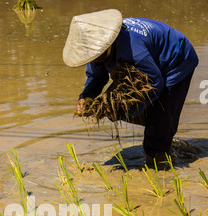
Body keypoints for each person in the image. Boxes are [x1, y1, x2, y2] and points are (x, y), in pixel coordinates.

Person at [63, 9, 199, 169]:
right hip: (150, 60)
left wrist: (130, 110)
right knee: (124, 105)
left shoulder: (133, 50)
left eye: (95, 57)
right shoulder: (96, 50)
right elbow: (96, 77)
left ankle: (159, 164)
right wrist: (86, 96)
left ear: (107, 45)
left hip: (176, 59)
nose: (93, 60)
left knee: (161, 111)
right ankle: (162, 135)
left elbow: (155, 83)